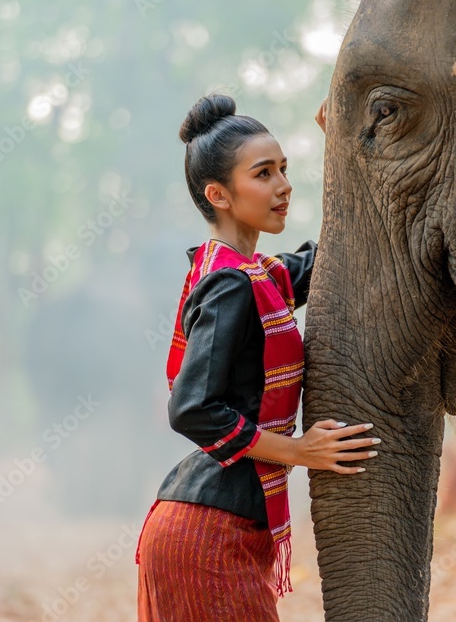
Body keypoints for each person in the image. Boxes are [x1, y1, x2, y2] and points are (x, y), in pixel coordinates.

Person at [135, 93, 378, 621]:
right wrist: (300, 451)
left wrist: (343, 146)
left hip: (219, 526)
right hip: (205, 539)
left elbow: (329, 255)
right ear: (218, 194)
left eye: (284, 170)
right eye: (263, 173)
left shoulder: (258, 275)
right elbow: (191, 407)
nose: (284, 186)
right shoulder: (231, 285)